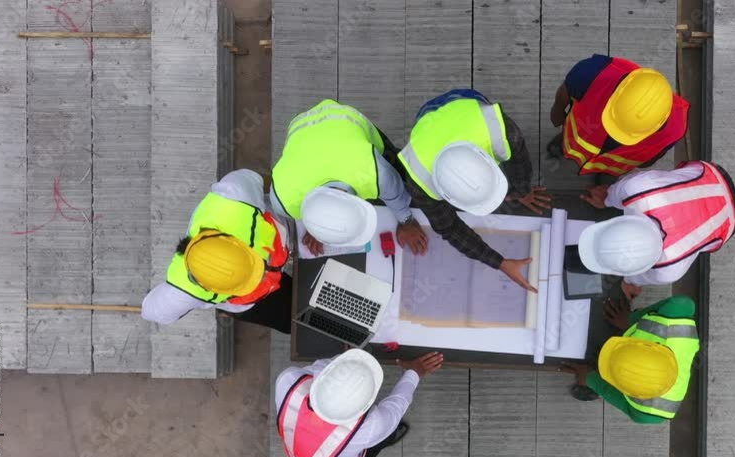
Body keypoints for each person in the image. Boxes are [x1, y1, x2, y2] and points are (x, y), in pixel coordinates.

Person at [399, 89, 552, 292]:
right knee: (429, 115)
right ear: (446, 197)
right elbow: (450, 228)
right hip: (427, 124)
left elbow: (519, 161)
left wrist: (523, 191)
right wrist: (500, 263)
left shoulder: (501, 133)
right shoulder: (419, 180)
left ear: (485, 158)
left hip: (466, 105)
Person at [142, 169, 296, 333]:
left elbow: (259, 179)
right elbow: (151, 311)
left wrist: (296, 205)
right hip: (256, 300)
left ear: (235, 241)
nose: (261, 277)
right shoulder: (184, 290)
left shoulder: (235, 198)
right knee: (300, 324)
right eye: (249, 280)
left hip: (287, 232)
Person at [271, 99, 428, 256]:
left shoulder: (375, 172)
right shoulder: (282, 200)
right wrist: (319, 227)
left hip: (344, 119)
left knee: (396, 167)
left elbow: (396, 193)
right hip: (301, 127)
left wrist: (407, 222)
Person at [274, 350, 444, 457]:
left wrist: (347, 359)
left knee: (375, 435)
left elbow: (324, 368)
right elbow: (398, 404)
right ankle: (380, 443)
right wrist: (414, 371)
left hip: (296, 455)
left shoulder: (289, 381)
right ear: (365, 407)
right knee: (384, 435)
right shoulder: (371, 427)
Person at [578, 160, 735, 286]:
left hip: (727, 220)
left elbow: (636, 275)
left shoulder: (669, 270)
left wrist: (630, 281)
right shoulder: (634, 189)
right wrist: (607, 198)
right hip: (711, 176)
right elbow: (636, 275)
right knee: (633, 183)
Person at [560, 295, 699, 423]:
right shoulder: (674, 322)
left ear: (632, 392)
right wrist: (631, 319)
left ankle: (593, 385)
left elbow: (617, 397)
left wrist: (591, 379)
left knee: (594, 382)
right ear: (648, 345)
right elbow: (684, 302)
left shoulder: (647, 414)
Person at [549, 55, 690, 176]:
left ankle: (602, 175)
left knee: (606, 174)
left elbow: (648, 161)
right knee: (564, 144)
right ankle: (562, 148)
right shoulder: (592, 74)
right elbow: (564, 93)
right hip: (576, 141)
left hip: (608, 167)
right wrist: (557, 114)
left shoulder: (674, 130)